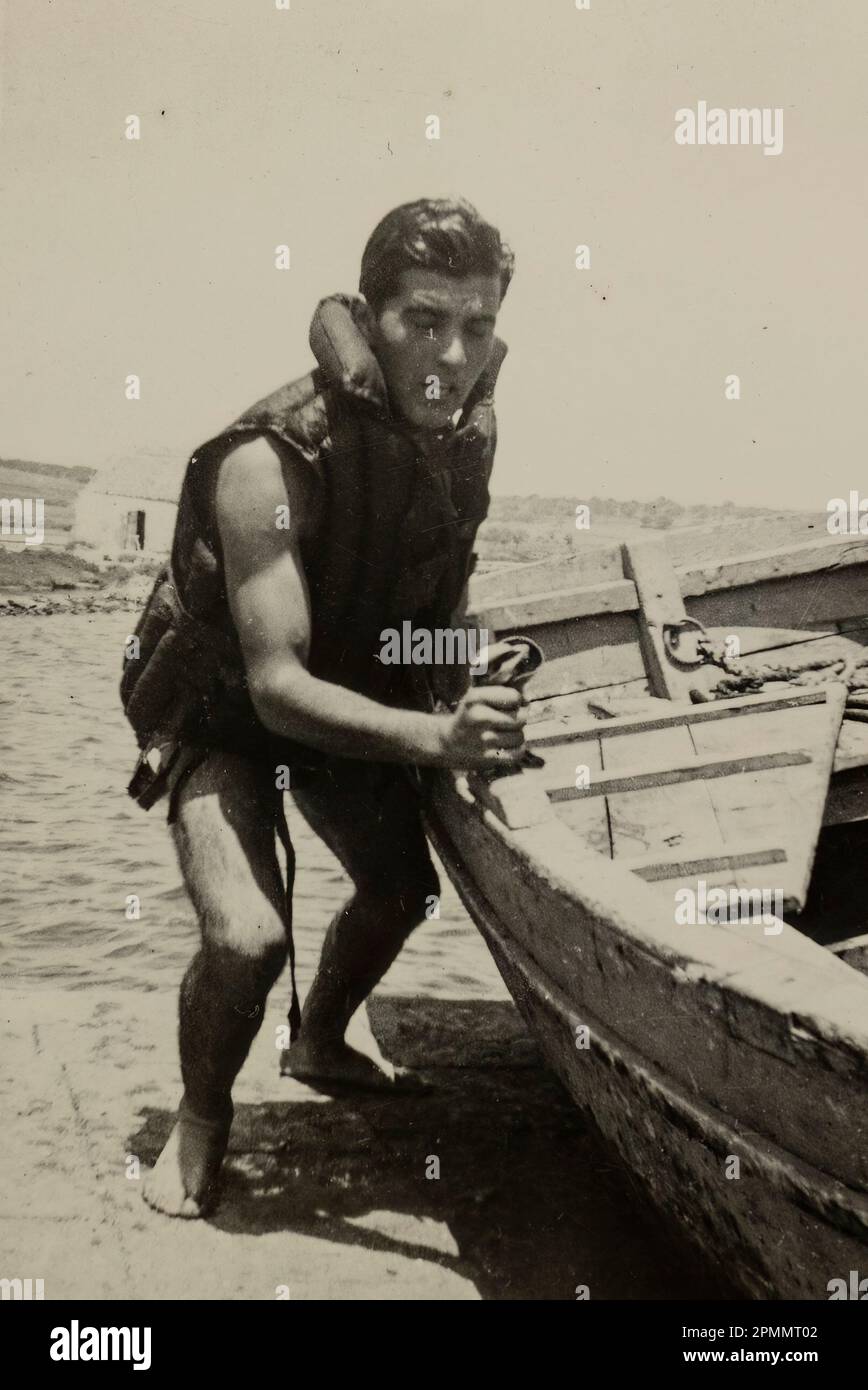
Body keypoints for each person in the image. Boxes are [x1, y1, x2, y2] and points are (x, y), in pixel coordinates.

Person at [121, 197, 525, 1218]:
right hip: (228, 716)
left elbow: (429, 608)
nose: (450, 354)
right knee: (249, 939)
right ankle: (203, 1118)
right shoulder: (268, 458)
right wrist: (438, 737)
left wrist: (469, 666)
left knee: (399, 890)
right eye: (422, 320)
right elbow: (275, 684)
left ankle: (319, 1040)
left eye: (474, 327)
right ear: (366, 314)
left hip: (343, 698)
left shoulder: (460, 440)